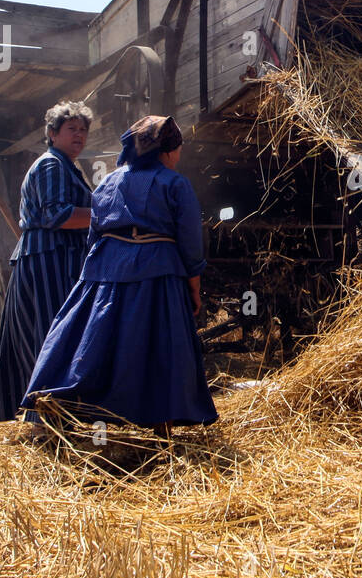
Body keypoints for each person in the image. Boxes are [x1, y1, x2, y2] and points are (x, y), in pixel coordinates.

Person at [21, 115, 216, 436]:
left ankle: (53, 402)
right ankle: (160, 424)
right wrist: (194, 286)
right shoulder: (174, 183)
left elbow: (94, 234)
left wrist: (94, 276)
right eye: (178, 149)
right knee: (159, 343)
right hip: (158, 269)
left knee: (90, 340)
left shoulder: (108, 182)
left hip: (104, 270)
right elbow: (191, 241)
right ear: (165, 152)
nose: (179, 156)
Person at [0, 101, 94, 421]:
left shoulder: (66, 166)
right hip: (49, 258)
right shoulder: (51, 165)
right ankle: (47, 418)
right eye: (71, 129)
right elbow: (57, 214)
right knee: (52, 335)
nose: (79, 135)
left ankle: (54, 415)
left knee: (53, 334)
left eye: (83, 130)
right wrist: (107, 215)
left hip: (56, 256)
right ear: (52, 133)